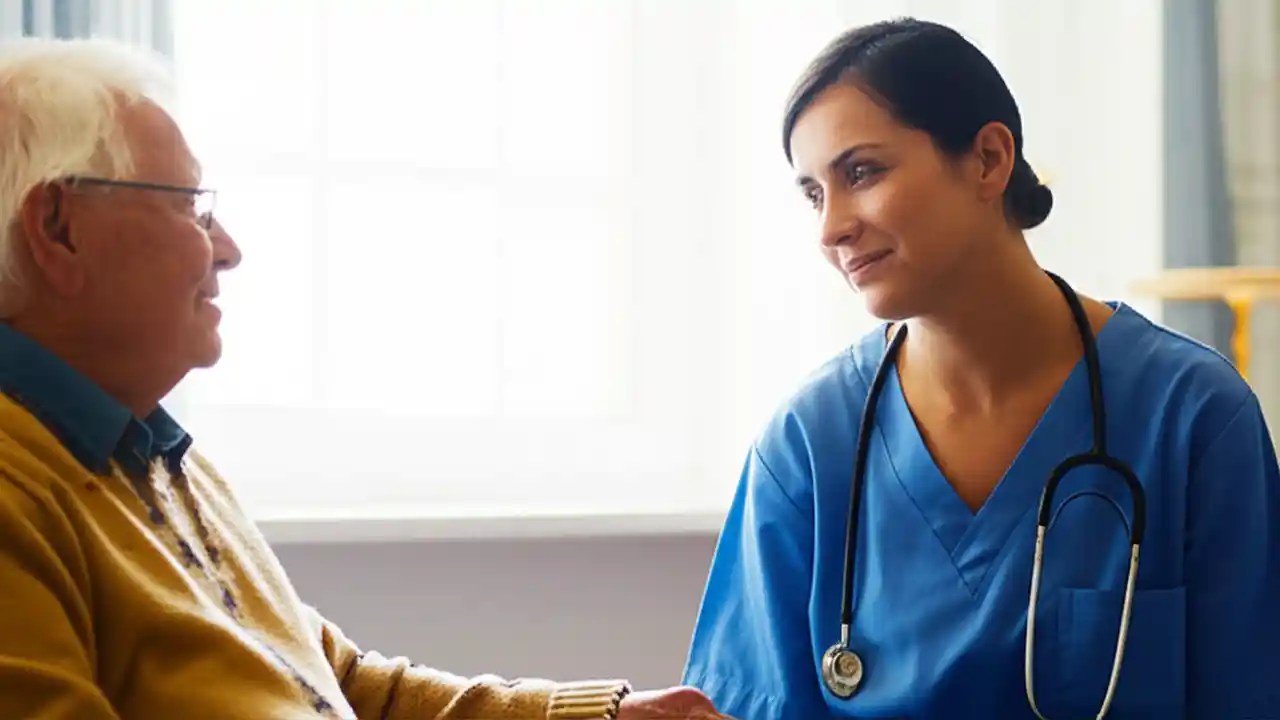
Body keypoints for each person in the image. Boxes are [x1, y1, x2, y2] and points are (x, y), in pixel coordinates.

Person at [0, 37, 723, 720]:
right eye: (191, 206)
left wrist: (599, 715)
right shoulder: (18, 494)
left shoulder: (155, 455)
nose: (229, 250)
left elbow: (337, 683)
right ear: (58, 227)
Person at [681, 17, 1280, 720]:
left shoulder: (1194, 419)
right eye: (814, 193)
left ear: (990, 160)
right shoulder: (808, 446)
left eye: (862, 173)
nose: (830, 227)